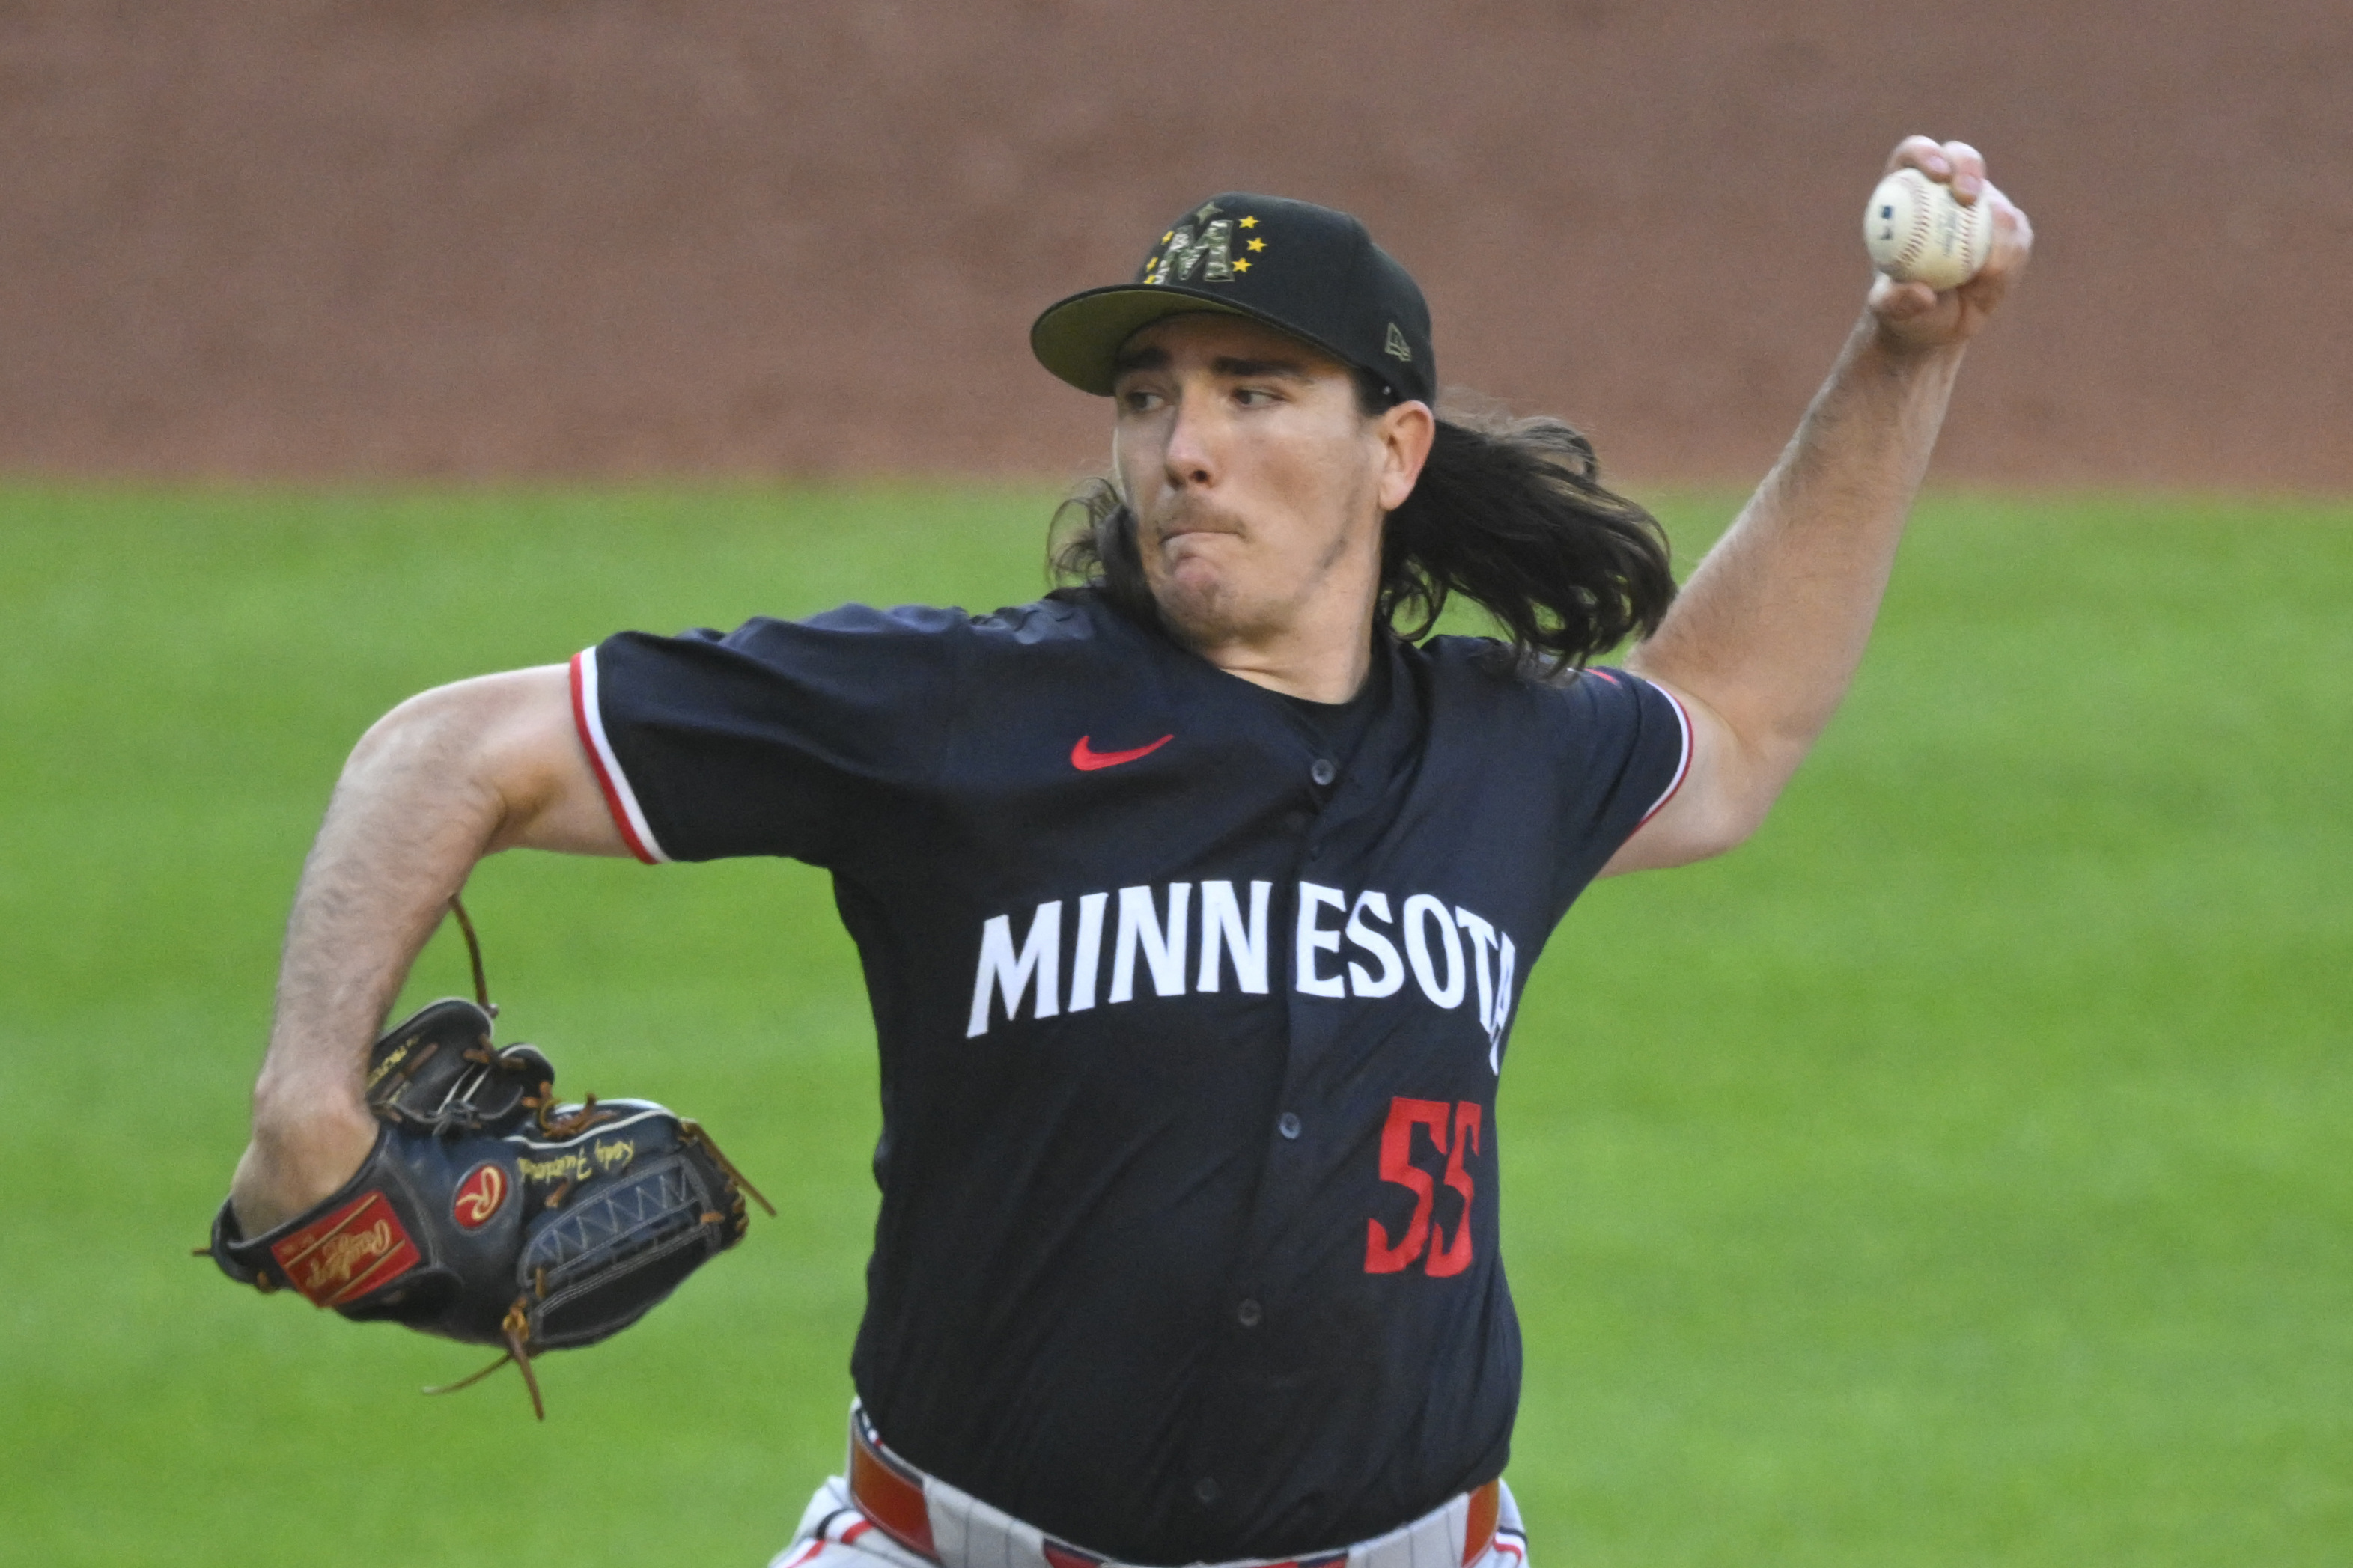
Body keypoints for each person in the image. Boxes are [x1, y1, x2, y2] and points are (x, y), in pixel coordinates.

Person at [225, 135, 2030, 1568]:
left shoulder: (1504, 757)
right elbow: (452, 749)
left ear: (1393, 449)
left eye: (1254, 392)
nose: (1186, 446)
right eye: (1150, 396)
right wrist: (308, 1098)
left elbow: (1738, 718)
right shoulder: (956, 713)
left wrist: (1904, 353)